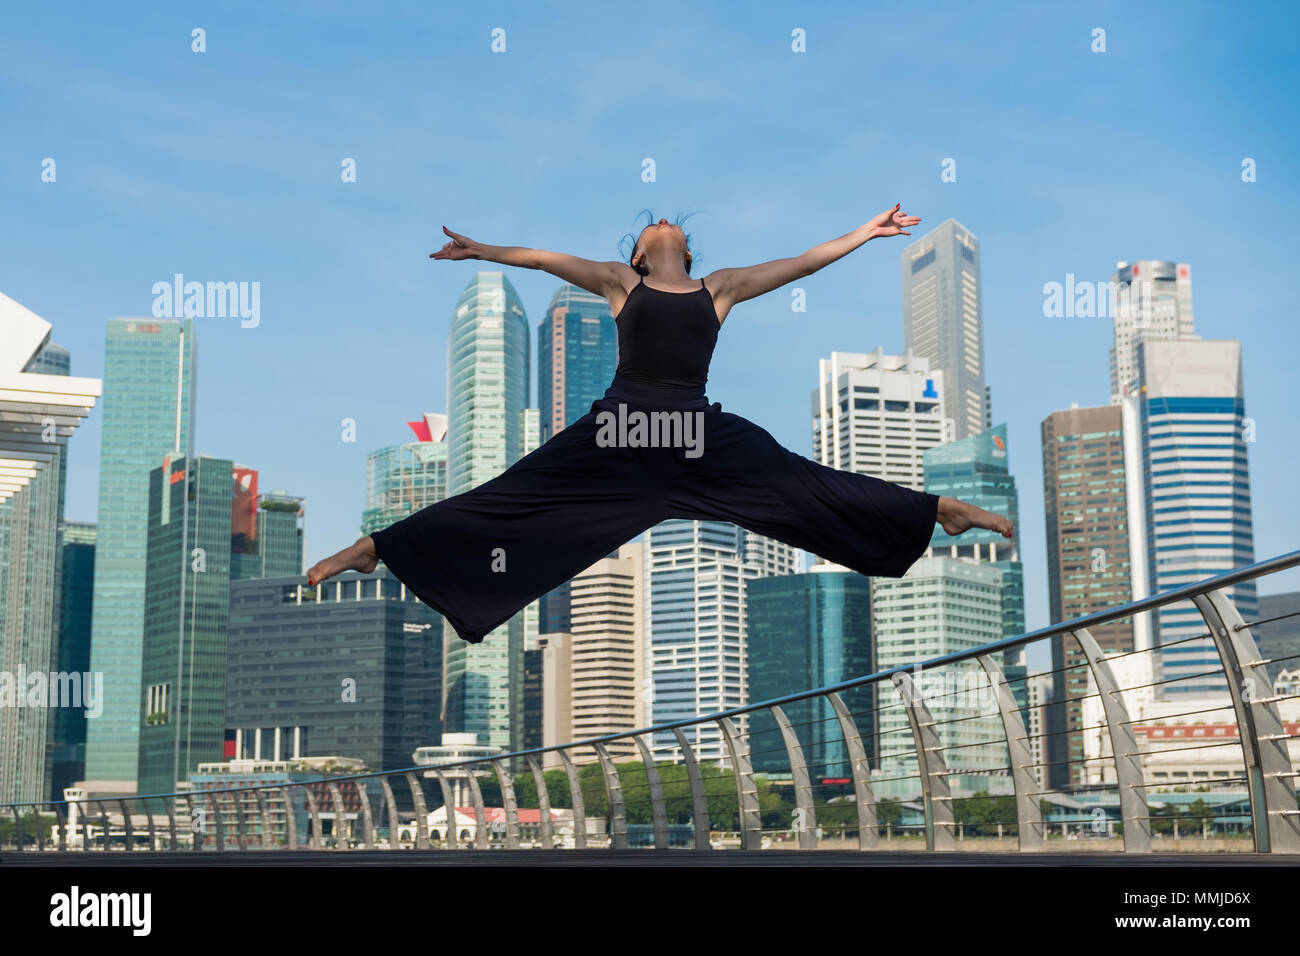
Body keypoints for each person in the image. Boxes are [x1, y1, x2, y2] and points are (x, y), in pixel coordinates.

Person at [308, 204, 1012, 644]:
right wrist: (481, 250)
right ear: (641, 254)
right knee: (511, 494)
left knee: (800, 482)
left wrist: (867, 231)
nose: (664, 221)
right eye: (651, 227)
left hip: (696, 436)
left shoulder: (721, 287)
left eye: (669, 224)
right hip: (623, 429)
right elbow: (543, 259)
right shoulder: (622, 282)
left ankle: (938, 511)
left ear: (681, 253)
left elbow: (803, 264)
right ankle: (376, 548)